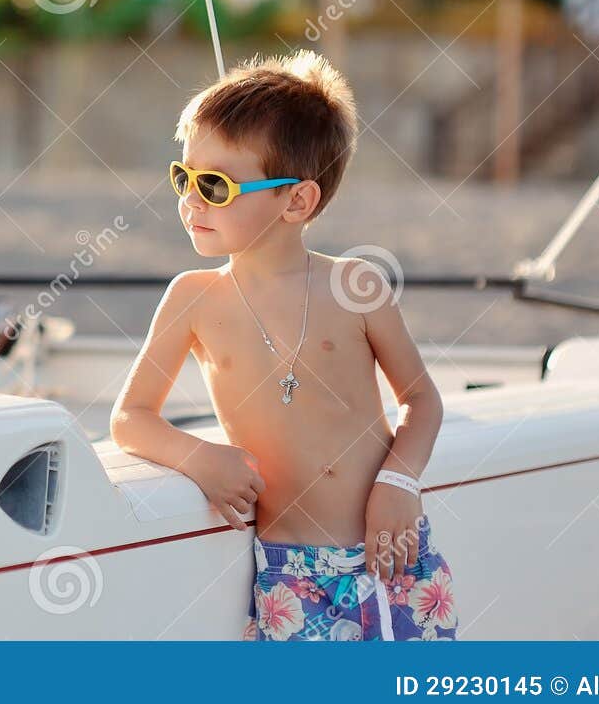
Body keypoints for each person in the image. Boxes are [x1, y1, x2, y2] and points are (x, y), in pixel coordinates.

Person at [109, 49, 458, 640]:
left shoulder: (355, 287)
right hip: (290, 577)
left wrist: (398, 483)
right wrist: (200, 458)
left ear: (296, 200)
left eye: (215, 186)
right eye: (183, 177)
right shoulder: (192, 299)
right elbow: (130, 418)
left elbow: (421, 400)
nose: (190, 200)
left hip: (393, 556)